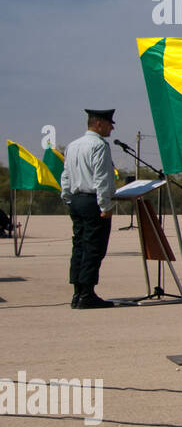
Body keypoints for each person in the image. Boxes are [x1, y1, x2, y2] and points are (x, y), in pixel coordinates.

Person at [60, 108, 119, 309]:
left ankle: (77, 293)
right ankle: (87, 294)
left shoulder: (73, 145)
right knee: (94, 248)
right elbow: (101, 178)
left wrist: (67, 198)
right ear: (99, 124)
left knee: (79, 247)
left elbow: (66, 176)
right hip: (93, 202)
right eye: (109, 123)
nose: (112, 128)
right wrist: (105, 205)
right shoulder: (99, 146)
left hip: (77, 201)